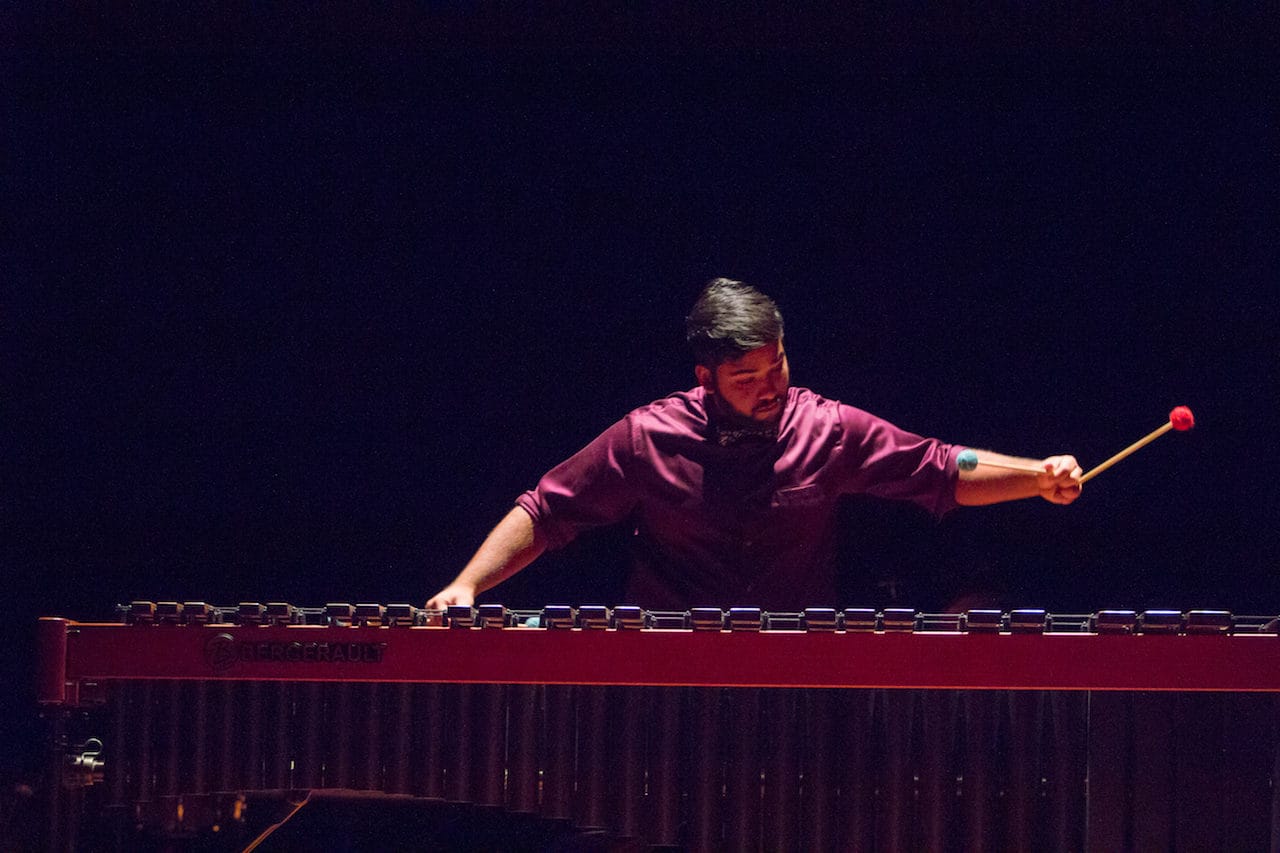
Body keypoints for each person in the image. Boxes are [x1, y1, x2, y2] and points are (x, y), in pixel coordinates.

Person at [427, 278, 1082, 611]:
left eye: (778, 368)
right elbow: (547, 510)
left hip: (788, 676)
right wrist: (466, 585)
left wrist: (1036, 474)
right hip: (664, 672)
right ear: (706, 379)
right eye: (747, 379)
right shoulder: (647, 436)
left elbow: (941, 468)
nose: (770, 388)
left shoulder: (829, 428)